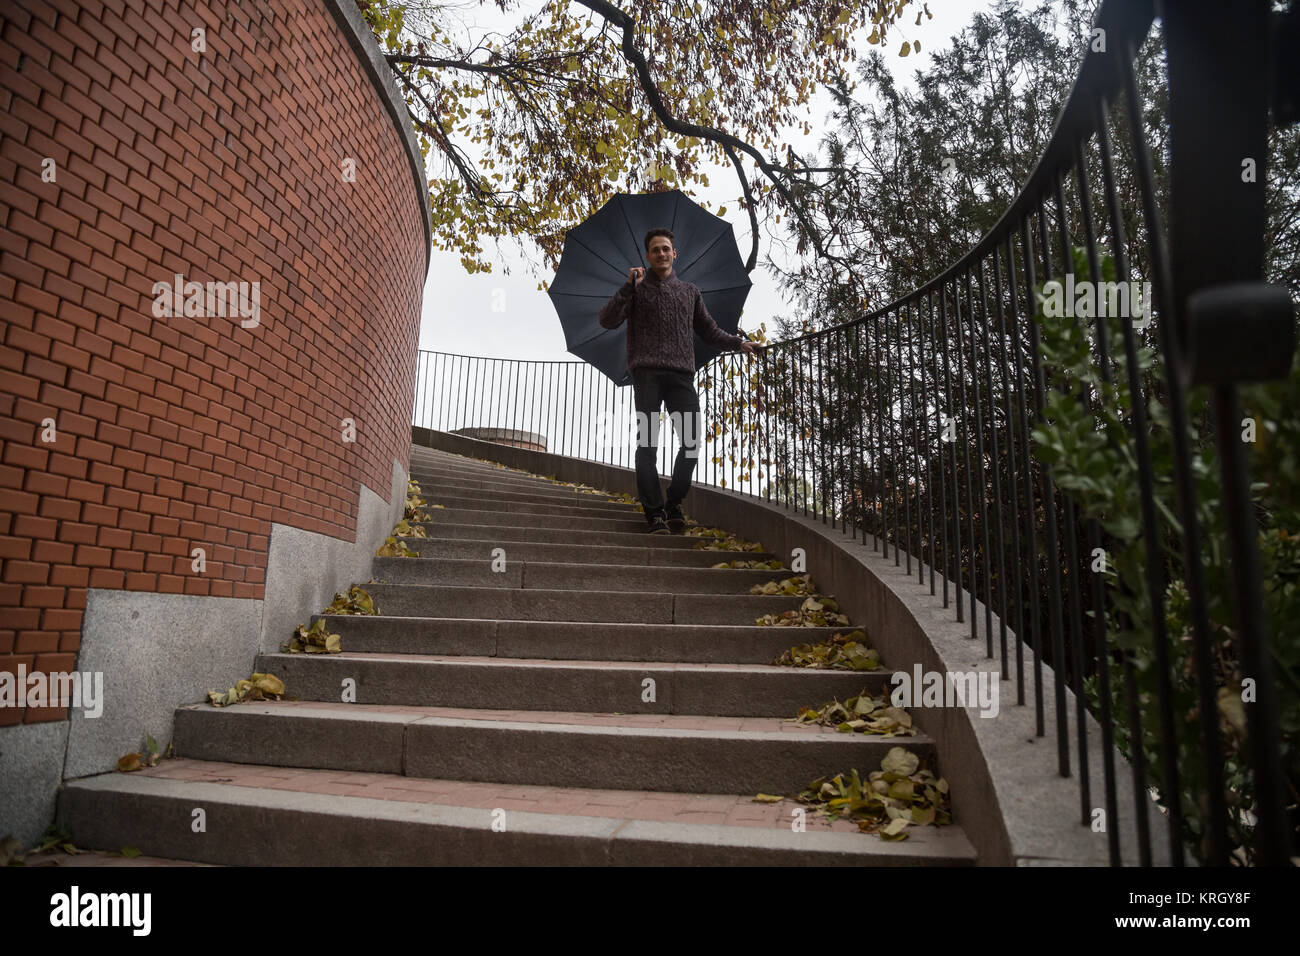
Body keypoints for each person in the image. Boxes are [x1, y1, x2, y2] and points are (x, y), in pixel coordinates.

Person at [597, 228, 759, 534]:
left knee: (692, 441)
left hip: (681, 376)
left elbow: (710, 331)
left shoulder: (689, 292)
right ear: (647, 256)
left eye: (666, 249)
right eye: (655, 250)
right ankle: (654, 512)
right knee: (648, 444)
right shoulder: (636, 290)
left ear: (674, 254)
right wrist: (627, 288)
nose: (661, 253)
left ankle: (673, 503)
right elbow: (607, 320)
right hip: (647, 376)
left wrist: (739, 344)